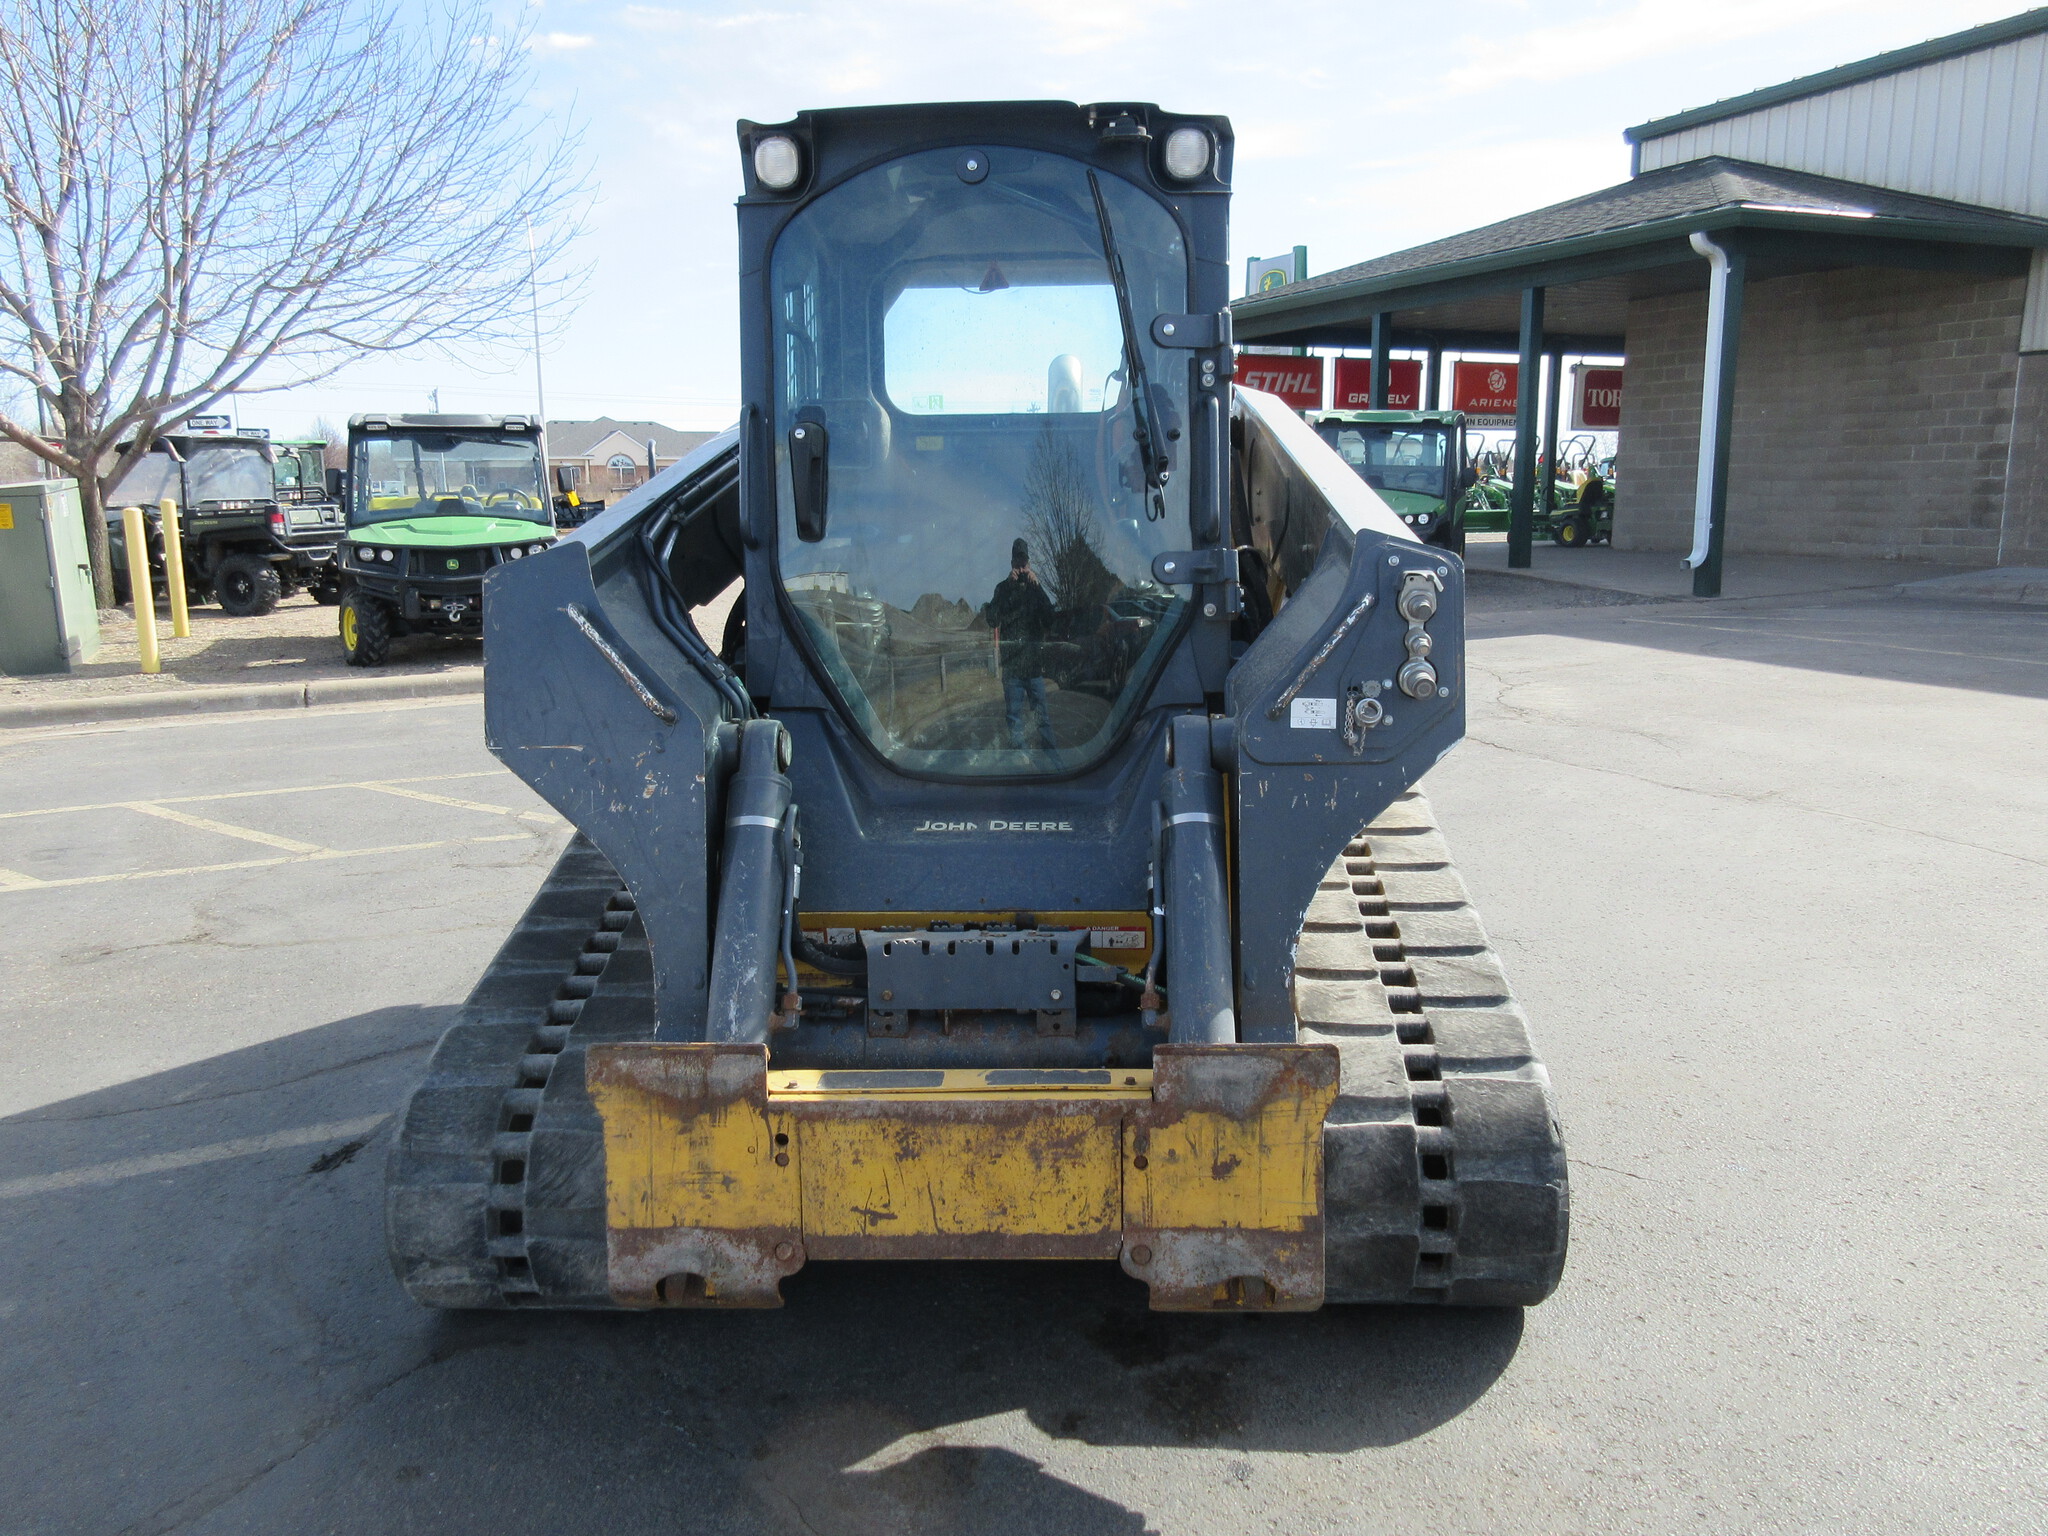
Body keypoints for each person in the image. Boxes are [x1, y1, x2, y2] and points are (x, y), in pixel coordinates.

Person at [983, 537, 1057, 751]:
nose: (1021, 568)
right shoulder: (1003, 589)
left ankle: (1053, 760)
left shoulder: (1035, 590)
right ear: (1011, 564)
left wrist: (1039, 587)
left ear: (1030, 564)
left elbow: (1049, 620)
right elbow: (992, 619)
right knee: (1014, 719)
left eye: (1024, 564)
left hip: (1033, 667)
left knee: (1042, 717)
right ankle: (1019, 761)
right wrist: (1008, 587)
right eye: (1018, 564)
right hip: (1012, 669)